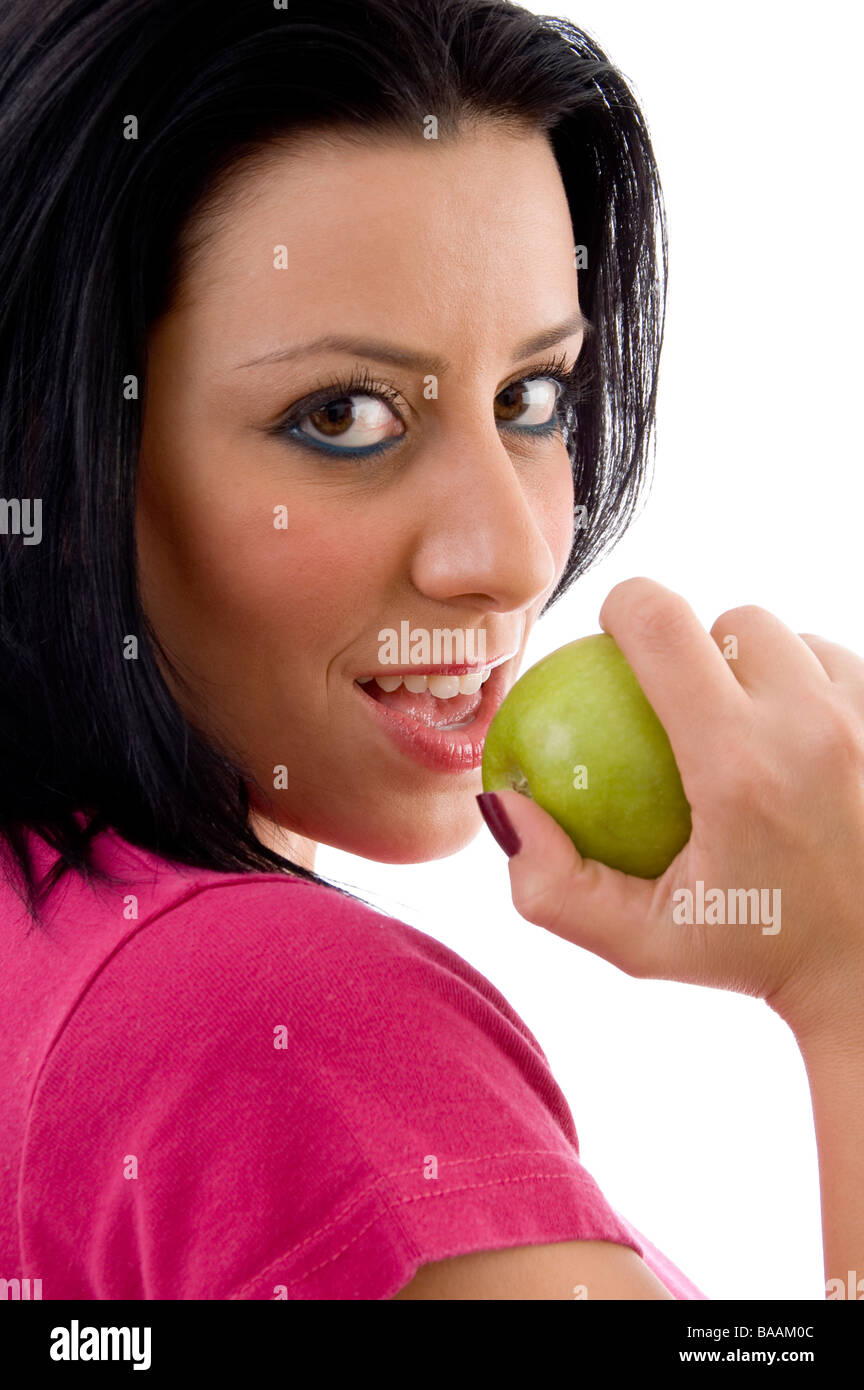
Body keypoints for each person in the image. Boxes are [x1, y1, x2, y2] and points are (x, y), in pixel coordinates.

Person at [0, 0, 860, 1302]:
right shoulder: (281, 1023)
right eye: (342, 414)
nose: (510, 554)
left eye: (532, 398)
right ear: (54, 454)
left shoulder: (52, 943)